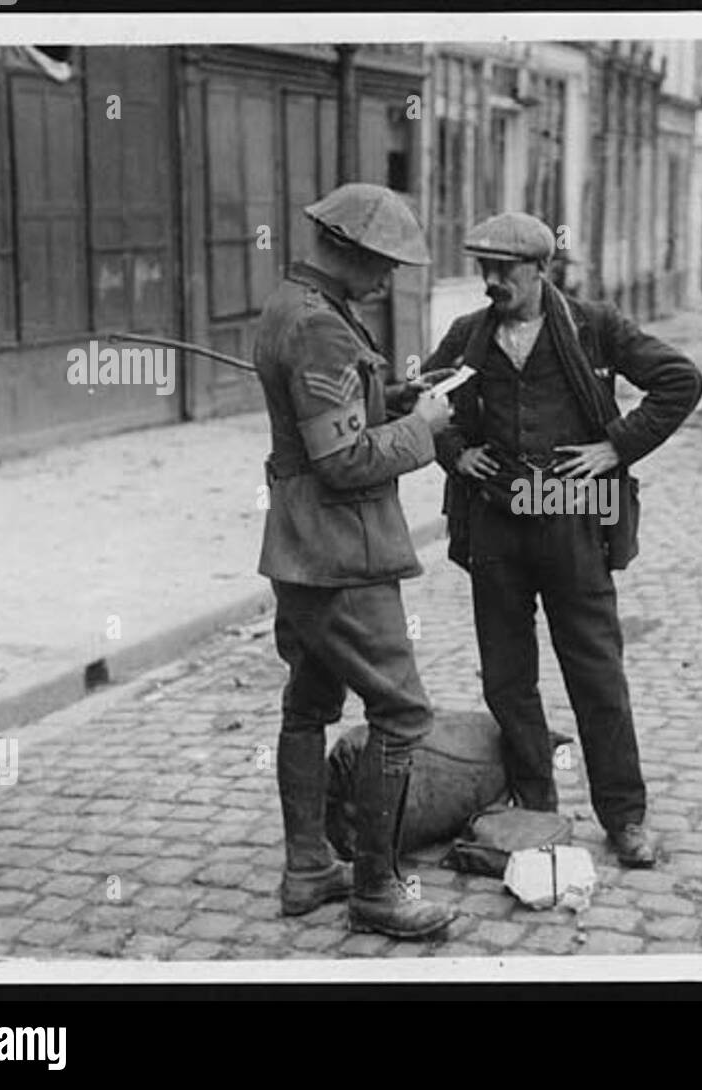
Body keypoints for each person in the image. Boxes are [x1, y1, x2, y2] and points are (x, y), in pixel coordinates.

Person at [422, 212, 702, 868]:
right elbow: (422, 401)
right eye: (484, 269)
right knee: (507, 676)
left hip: (571, 521)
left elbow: (681, 381)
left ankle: (625, 818)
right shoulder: (469, 336)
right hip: (495, 526)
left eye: (505, 271)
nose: (492, 281)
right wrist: (455, 453)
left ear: (541, 269)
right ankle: (535, 806)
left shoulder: (593, 327)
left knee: (596, 673)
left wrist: (616, 446)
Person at [252, 182, 456, 940]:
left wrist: (399, 396)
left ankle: (309, 866)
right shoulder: (322, 329)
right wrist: (425, 428)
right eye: (388, 263)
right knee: (402, 715)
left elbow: (328, 422)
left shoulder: (295, 307)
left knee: (307, 708)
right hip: (342, 557)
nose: (391, 279)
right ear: (356, 251)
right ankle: (377, 889)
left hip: (303, 550)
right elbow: (343, 461)